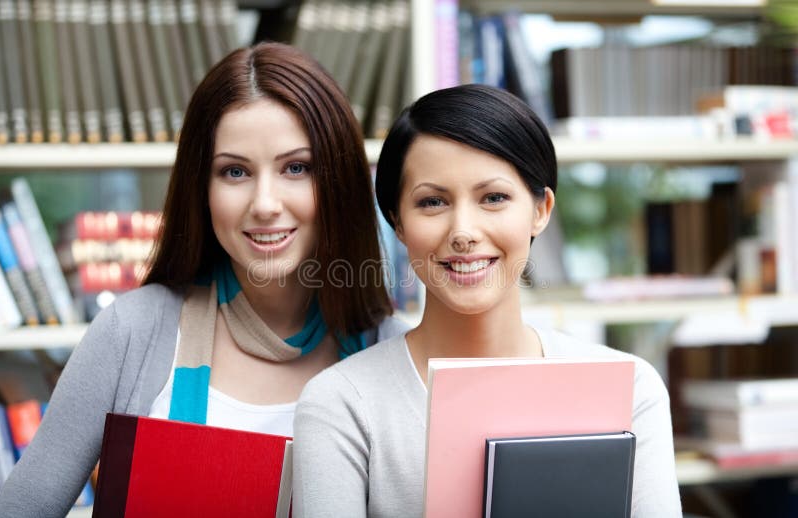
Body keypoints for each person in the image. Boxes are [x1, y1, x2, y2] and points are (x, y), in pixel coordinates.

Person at [0, 42, 407, 516]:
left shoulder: (390, 353)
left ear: (338, 182)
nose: (266, 203)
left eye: (296, 168)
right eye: (235, 172)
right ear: (202, 189)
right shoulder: (132, 333)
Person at [292, 84, 682, 517]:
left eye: (493, 198)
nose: (463, 231)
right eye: (432, 202)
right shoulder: (343, 405)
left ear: (541, 209)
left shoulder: (627, 389)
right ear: (397, 223)